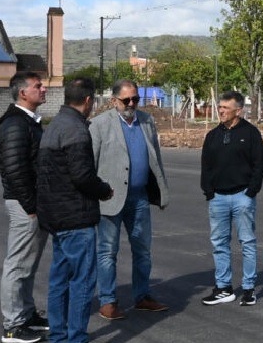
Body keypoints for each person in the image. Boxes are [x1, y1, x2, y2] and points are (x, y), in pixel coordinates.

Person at [36, 78, 114, 343]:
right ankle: (76, 337)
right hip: (75, 218)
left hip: (56, 216)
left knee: (59, 279)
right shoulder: (76, 130)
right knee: (82, 281)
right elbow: (82, 176)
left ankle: (58, 335)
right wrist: (104, 190)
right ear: (89, 100)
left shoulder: (53, 126)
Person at [90, 80, 170, 320]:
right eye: (127, 100)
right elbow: (90, 165)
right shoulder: (99, 125)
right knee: (107, 252)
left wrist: (162, 191)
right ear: (114, 101)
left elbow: (155, 158)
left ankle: (142, 296)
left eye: (136, 99)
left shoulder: (146, 121)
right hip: (110, 199)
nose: (132, 104)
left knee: (143, 251)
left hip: (139, 198)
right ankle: (107, 301)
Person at [0, 71, 50, 343]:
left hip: (32, 203)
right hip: (25, 205)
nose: (44, 89)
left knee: (28, 264)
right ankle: (13, 326)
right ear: (23, 93)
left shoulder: (27, 122)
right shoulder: (16, 125)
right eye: (38, 86)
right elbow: (15, 169)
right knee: (17, 265)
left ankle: (27, 315)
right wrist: (31, 206)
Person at [200, 91, 263, 307]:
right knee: (219, 244)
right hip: (218, 198)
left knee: (247, 242)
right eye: (219, 107)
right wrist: (209, 192)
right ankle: (224, 288)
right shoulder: (212, 135)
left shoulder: (250, 133)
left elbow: (259, 165)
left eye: (225, 108)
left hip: (242, 197)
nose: (220, 111)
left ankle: (248, 288)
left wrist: (250, 193)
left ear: (238, 110)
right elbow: (206, 166)